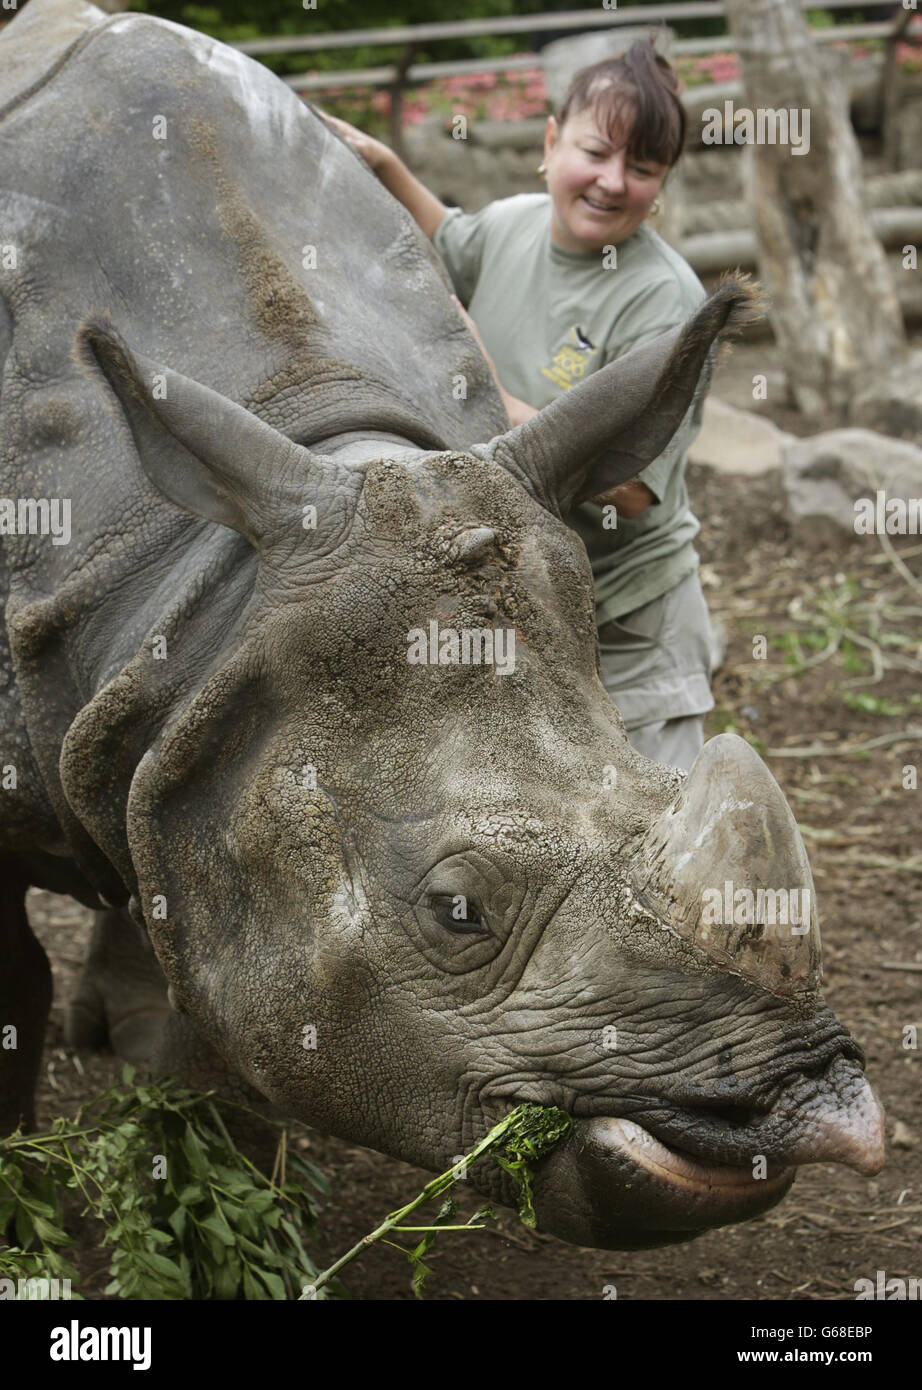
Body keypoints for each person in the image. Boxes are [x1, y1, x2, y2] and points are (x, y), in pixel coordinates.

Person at [319, 40, 716, 772]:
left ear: (661, 185)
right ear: (550, 140)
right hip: (523, 604)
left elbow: (628, 490)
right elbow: (451, 235)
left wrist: (487, 392)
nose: (611, 181)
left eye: (642, 169)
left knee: (661, 845)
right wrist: (387, 168)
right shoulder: (517, 223)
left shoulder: (665, 302)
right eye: (595, 152)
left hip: (628, 623)